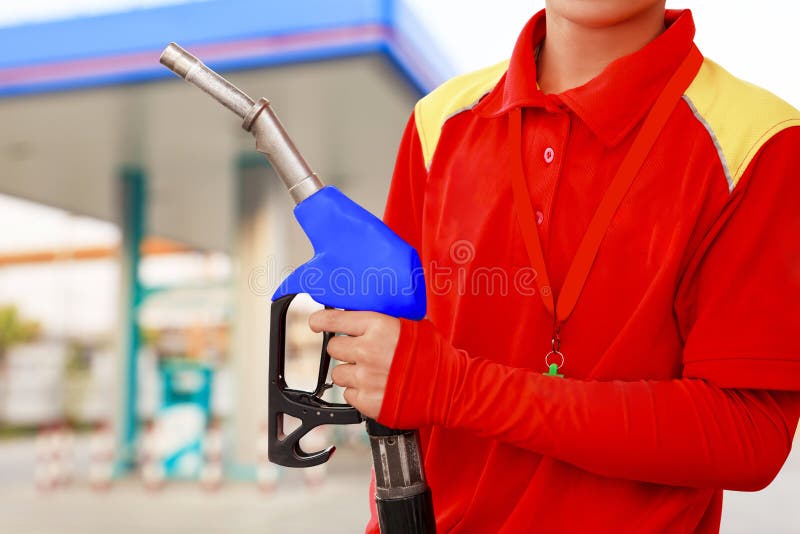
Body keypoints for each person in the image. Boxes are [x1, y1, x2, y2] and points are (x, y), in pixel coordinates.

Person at [309, 1, 800, 532]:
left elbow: (748, 434)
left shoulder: (759, 142)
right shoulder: (439, 123)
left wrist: (457, 389)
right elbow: (396, 383)